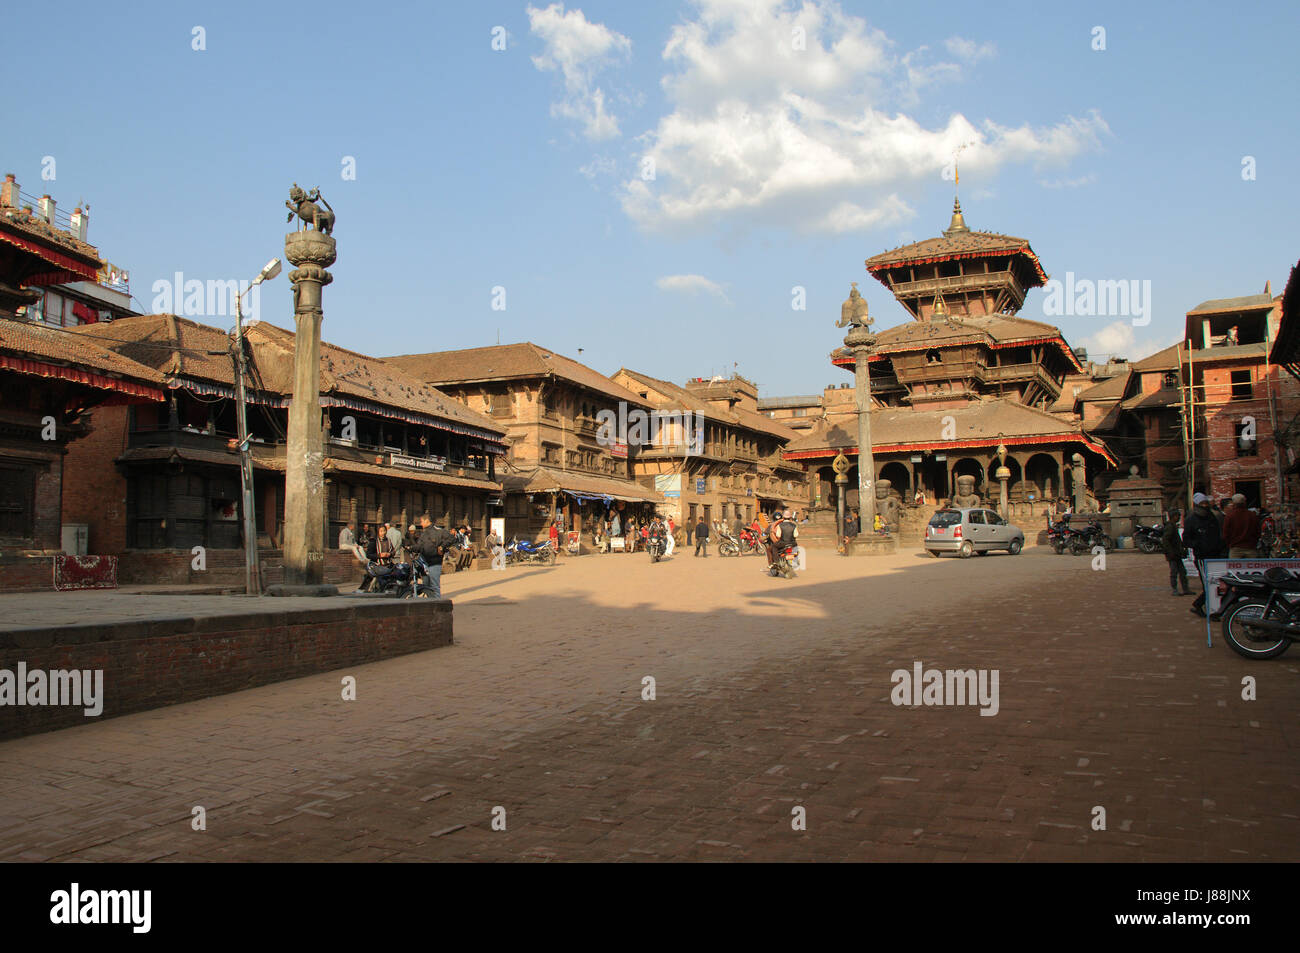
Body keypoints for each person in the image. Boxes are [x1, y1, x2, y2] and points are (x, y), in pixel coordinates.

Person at [1183, 493, 1225, 618]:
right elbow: (1186, 540)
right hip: (1202, 557)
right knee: (1208, 584)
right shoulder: (1191, 520)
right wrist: (1198, 544)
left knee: (1216, 584)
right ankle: (1203, 606)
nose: (1205, 506)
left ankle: (1210, 607)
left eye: (1206, 503)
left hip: (1215, 555)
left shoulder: (1213, 517)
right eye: (1202, 504)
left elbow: (1218, 534)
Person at [415, 513, 455, 599]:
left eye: (421, 521)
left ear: (427, 521)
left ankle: (437, 605)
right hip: (424, 563)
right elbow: (419, 546)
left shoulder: (439, 531)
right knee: (426, 586)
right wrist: (410, 548)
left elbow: (452, 538)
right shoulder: (424, 534)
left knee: (434, 586)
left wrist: (442, 546)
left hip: (435, 562)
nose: (421, 524)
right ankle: (429, 604)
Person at [1161, 509, 1191, 596]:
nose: (1178, 518)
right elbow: (1166, 540)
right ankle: (1175, 589)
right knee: (1174, 572)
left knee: (1182, 572)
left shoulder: (1172, 526)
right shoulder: (1170, 527)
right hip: (1173, 554)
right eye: (1177, 516)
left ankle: (1185, 589)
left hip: (1176, 553)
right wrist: (1170, 552)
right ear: (1174, 517)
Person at [1223, 493, 1261, 558]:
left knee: (1234, 567)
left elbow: (1226, 533)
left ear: (1234, 503)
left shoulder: (1229, 516)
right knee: (1252, 567)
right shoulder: (1252, 515)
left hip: (1235, 548)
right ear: (1244, 502)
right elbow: (1258, 531)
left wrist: (1230, 544)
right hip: (1250, 547)